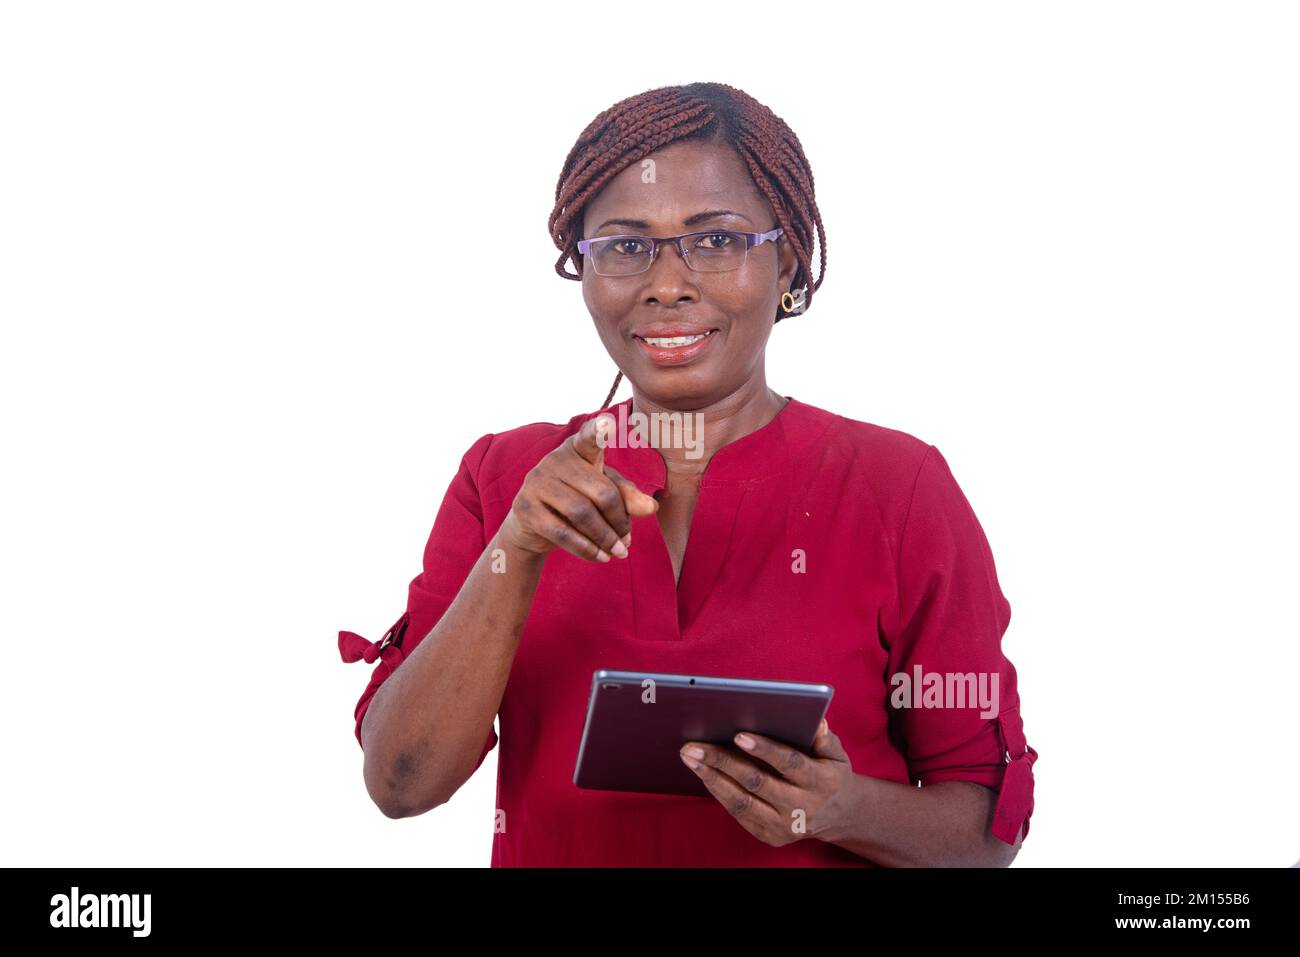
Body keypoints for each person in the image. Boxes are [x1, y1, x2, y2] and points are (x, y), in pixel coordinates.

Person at [338, 82, 1038, 867]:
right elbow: (400, 783)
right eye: (626, 245)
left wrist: (842, 808)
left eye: (716, 240)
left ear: (790, 261)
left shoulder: (898, 489)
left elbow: (988, 833)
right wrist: (520, 546)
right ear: (583, 268)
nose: (667, 283)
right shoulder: (503, 479)